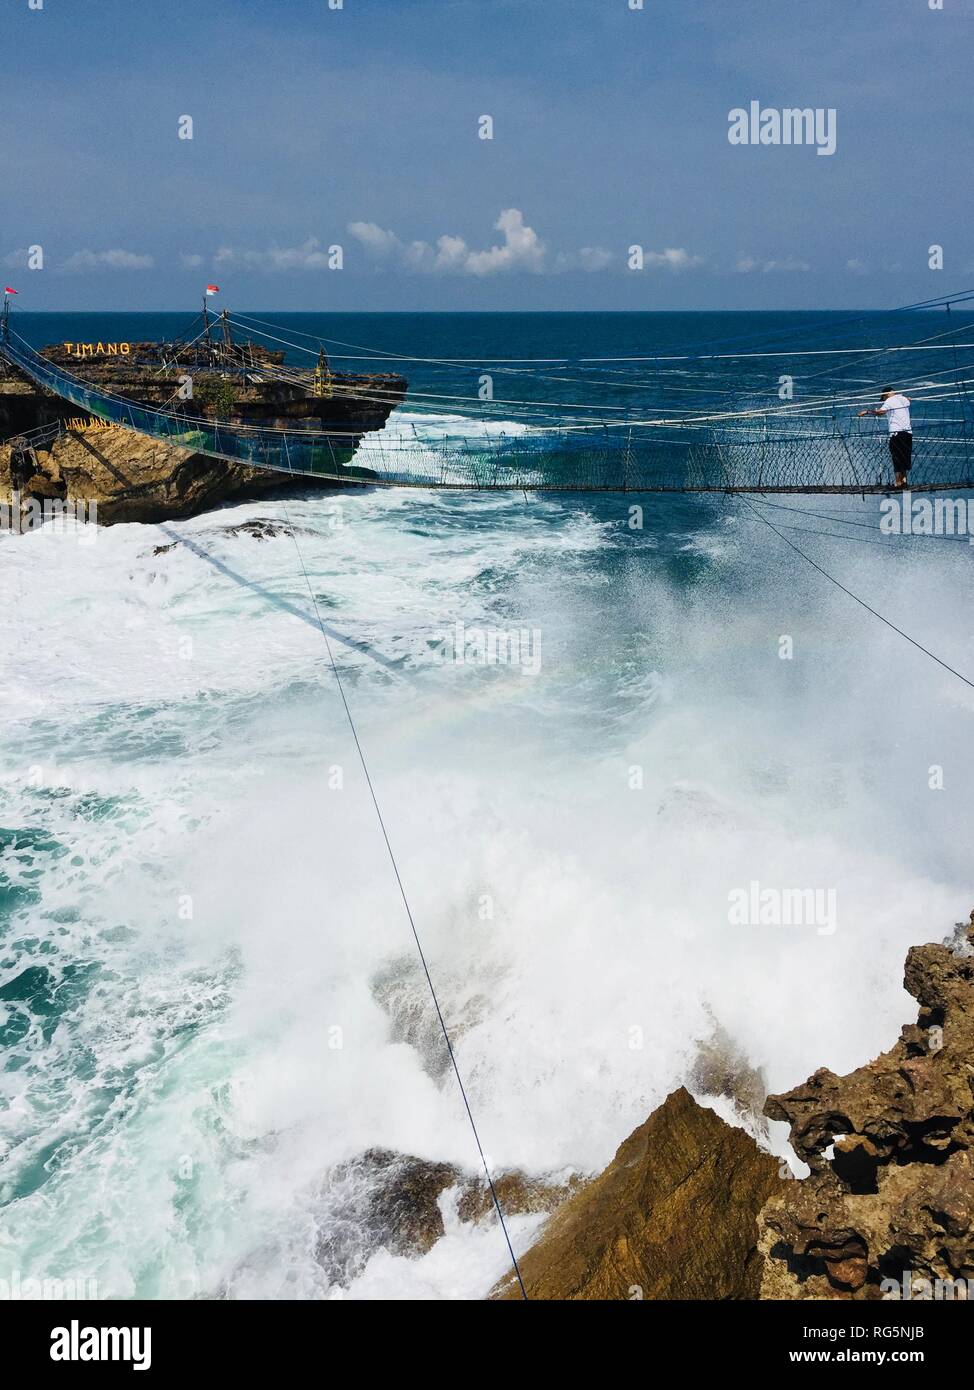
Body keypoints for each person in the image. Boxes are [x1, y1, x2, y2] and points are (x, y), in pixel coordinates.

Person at [858, 386, 912, 487]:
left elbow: (881, 412)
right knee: (904, 457)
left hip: (896, 433)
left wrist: (867, 412)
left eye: (883, 398)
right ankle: (904, 481)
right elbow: (908, 401)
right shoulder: (903, 399)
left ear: (886, 394)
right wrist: (907, 398)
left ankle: (898, 483)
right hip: (908, 433)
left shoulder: (890, 400)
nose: (884, 400)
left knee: (896, 457)